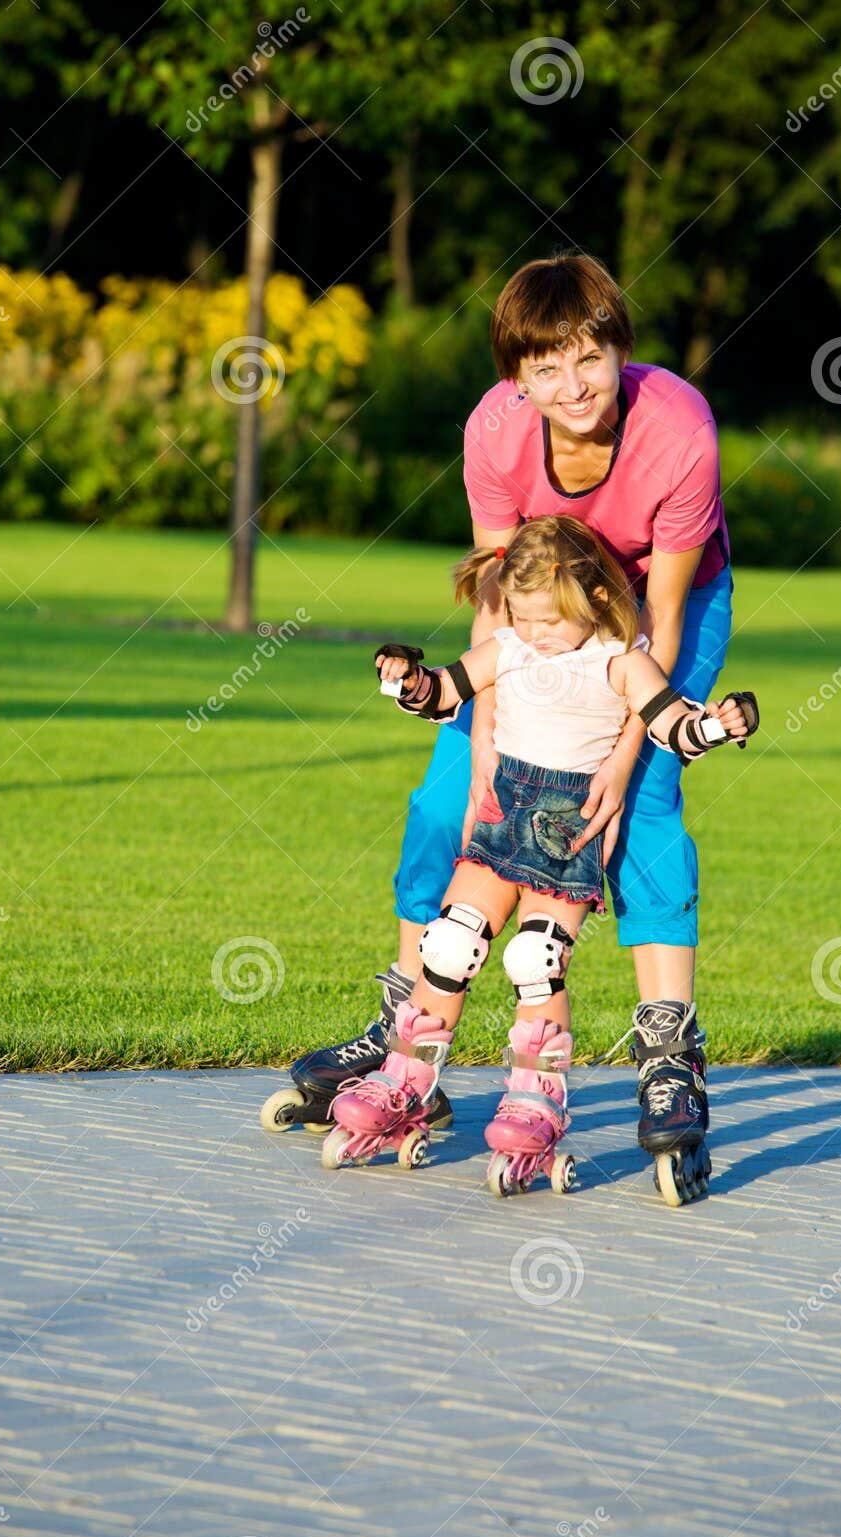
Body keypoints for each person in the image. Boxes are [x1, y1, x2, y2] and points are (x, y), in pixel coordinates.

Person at [303, 252, 736, 1158]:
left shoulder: (679, 431)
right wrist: (484, 732)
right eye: (546, 368)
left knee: (647, 803)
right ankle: (407, 1024)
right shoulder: (495, 433)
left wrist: (619, 761)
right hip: (533, 617)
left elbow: (653, 626)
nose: (572, 386)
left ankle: (668, 1050)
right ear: (516, 376)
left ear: (620, 346)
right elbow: (498, 600)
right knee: (446, 797)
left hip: (661, 606)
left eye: (589, 358)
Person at [320, 517, 757, 1204]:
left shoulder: (620, 658)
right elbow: (444, 690)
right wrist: (405, 680)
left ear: (592, 595)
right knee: (449, 942)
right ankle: (404, 1081)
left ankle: (534, 1102)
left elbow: (671, 721)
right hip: (499, 820)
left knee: (534, 959)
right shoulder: (507, 649)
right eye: (522, 619)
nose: (536, 635)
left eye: (549, 620)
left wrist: (715, 725)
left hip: (566, 832)